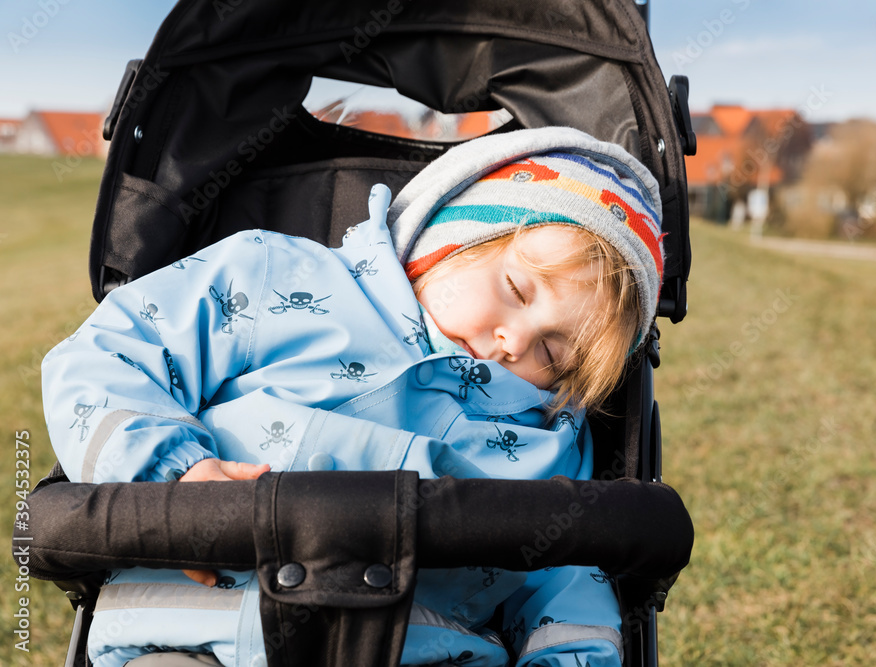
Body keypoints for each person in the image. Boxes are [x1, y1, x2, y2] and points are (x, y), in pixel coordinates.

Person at [41, 127, 665, 667]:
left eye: (553, 354)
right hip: (193, 628)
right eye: (515, 290)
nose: (513, 340)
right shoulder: (272, 276)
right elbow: (108, 356)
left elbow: (566, 574)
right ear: (448, 238)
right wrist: (176, 472)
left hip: (425, 648)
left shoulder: (548, 441)